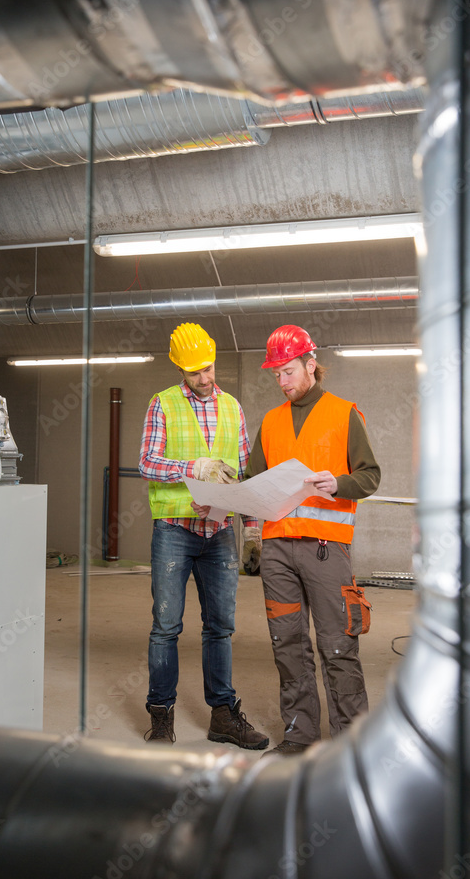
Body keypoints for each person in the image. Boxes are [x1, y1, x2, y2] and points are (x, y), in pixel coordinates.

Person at [245, 324, 380, 756]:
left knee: (338, 645)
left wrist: (337, 483)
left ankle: (351, 745)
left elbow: (370, 476)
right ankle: (300, 736)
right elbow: (254, 481)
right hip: (279, 548)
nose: (282, 382)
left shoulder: (344, 414)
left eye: (287, 371)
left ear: (310, 364)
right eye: (276, 375)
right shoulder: (270, 421)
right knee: (288, 645)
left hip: (326, 549)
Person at [138, 322, 268, 750]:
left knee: (220, 628)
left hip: (219, 535)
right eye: (195, 372)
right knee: (166, 628)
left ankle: (223, 716)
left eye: (209, 368)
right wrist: (192, 468)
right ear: (180, 368)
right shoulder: (163, 405)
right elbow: (147, 463)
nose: (205, 378)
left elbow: (244, 473)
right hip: (174, 531)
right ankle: (161, 715)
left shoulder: (232, 406)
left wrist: (251, 531)